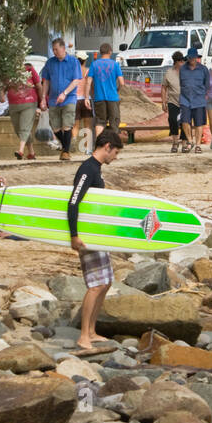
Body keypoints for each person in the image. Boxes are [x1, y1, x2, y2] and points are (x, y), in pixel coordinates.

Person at [69, 128, 124, 350]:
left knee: (106, 282)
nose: (116, 157)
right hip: (86, 236)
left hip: (98, 235)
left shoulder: (96, 169)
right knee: (95, 285)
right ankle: (83, 336)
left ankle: (91, 331)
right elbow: (73, 202)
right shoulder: (87, 169)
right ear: (107, 147)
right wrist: (74, 235)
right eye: (116, 153)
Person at [39, 38, 84, 161]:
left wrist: (65, 93)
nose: (54, 52)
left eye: (56, 49)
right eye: (53, 49)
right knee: (55, 127)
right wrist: (43, 98)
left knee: (67, 125)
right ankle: (66, 147)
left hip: (69, 98)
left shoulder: (74, 62)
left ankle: (65, 152)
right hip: (53, 99)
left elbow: (76, 80)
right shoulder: (50, 63)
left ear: (63, 48)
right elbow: (46, 81)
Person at [2, 59, 43, 160]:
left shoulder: (29, 70)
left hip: (29, 103)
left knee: (24, 127)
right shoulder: (8, 72)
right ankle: (31, 153)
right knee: (19, 129)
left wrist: (42, 101)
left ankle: (20, 151)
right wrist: (2, 95)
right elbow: (3, 86)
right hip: (13, 105)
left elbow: (38, 86)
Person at [89, 43, 125, 136]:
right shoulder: (115, 65)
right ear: (110, 52)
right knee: (114, 122)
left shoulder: (94, 64)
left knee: (100, 122)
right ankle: (112, 145)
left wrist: (90, 94)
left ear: (100, 52)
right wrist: (117, 90)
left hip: (99, 98)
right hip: (113, 97)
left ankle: (99, 144)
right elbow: (122, 83)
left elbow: (89, 82)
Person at [179, 47, 210, 153]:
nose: (191, 60)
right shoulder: (182, 69)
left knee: (199, 123)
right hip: (185, 99)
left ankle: (198, 145)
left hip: (199, 99)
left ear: (197, 58)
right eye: (190, 58)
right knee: (184, 121)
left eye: (193, 58)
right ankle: (190, 141)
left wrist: (201, 94)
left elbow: (207, 85)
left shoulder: (203, 69)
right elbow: (180, 83)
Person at [161, 51, 188, 152]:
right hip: (173, 101)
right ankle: (175, 142)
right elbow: (164, 88)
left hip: (186, 101)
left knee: (185, 121)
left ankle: (184, 143)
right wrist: (163, 102)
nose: (183, 63)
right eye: (181, 61)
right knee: (172, 120)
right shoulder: (169, 73)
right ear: (176, 62)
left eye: (183, 61)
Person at [71, 48, 95, 155]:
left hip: (74, 100)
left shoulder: (72, 72)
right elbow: (91, 85)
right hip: (86, 99)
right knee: (87, 126)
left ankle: (73, 143)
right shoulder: (88, 71)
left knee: (75, 125)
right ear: (85, 60)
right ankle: (88, 149)